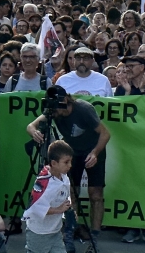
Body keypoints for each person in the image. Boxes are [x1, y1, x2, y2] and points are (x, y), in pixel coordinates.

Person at [27, 86, 110, 246]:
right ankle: (73, 228)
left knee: (96, 194)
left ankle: (95, 235)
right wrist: (34, 133)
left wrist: (95, 153)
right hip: (72, 153)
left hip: (92, 149)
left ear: (65, 100)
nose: (55, 111)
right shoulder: (54, 111)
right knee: (71, 192)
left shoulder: (83, 109)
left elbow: (105, 133)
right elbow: (31, 126)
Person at [22, 140, 74, 253]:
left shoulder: (65, 178)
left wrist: (69, 208)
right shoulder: (43, 183)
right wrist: (58, 209)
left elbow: (65, 195)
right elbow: (36, 208)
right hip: (39, 234)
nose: (70, 165)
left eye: (70, 161)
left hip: (55, 231)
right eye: (66, 162)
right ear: (54, 163)